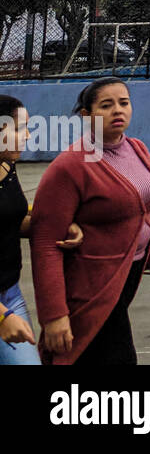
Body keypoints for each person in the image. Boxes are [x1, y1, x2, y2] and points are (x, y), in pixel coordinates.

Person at [30, 78, 150, 366]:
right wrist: (54, 315)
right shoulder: (71, 165)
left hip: (128, 271)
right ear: (86, 116)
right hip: (91, 281)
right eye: (106, 105)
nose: (118, 110)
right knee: (106, 354)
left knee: (96, 352)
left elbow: (144, 208)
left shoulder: (137, 148)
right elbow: (45, 243)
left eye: (124, 103)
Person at [0, 96, 83, 366]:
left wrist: (54, 226)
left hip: (9, 292)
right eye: (19, 127)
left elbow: (10, 220)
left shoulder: (7, 166)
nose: (27, 135)